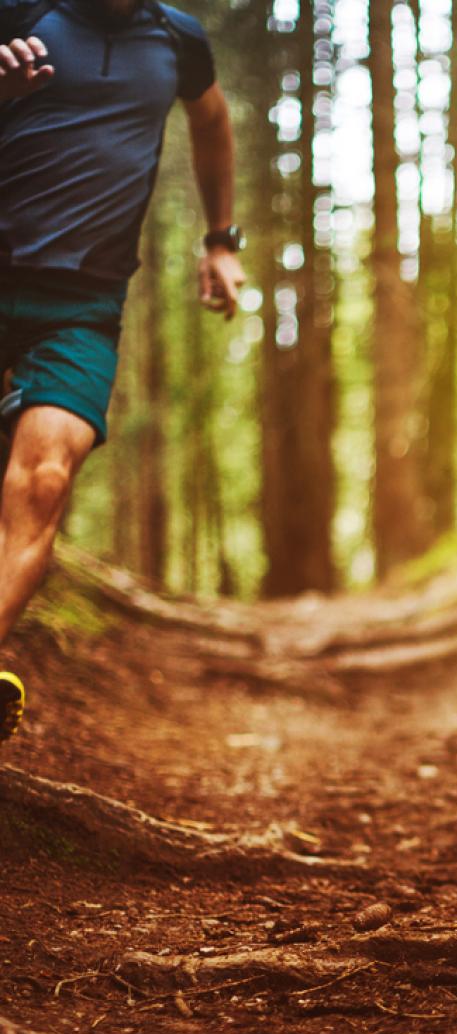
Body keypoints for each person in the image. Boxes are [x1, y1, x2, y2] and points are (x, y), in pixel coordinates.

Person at [0, 0, 244, 741]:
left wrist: (221, 239)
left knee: (43, 479)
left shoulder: (177, 39)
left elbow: (211, 122)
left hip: (83, 304)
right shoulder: (19, 11)